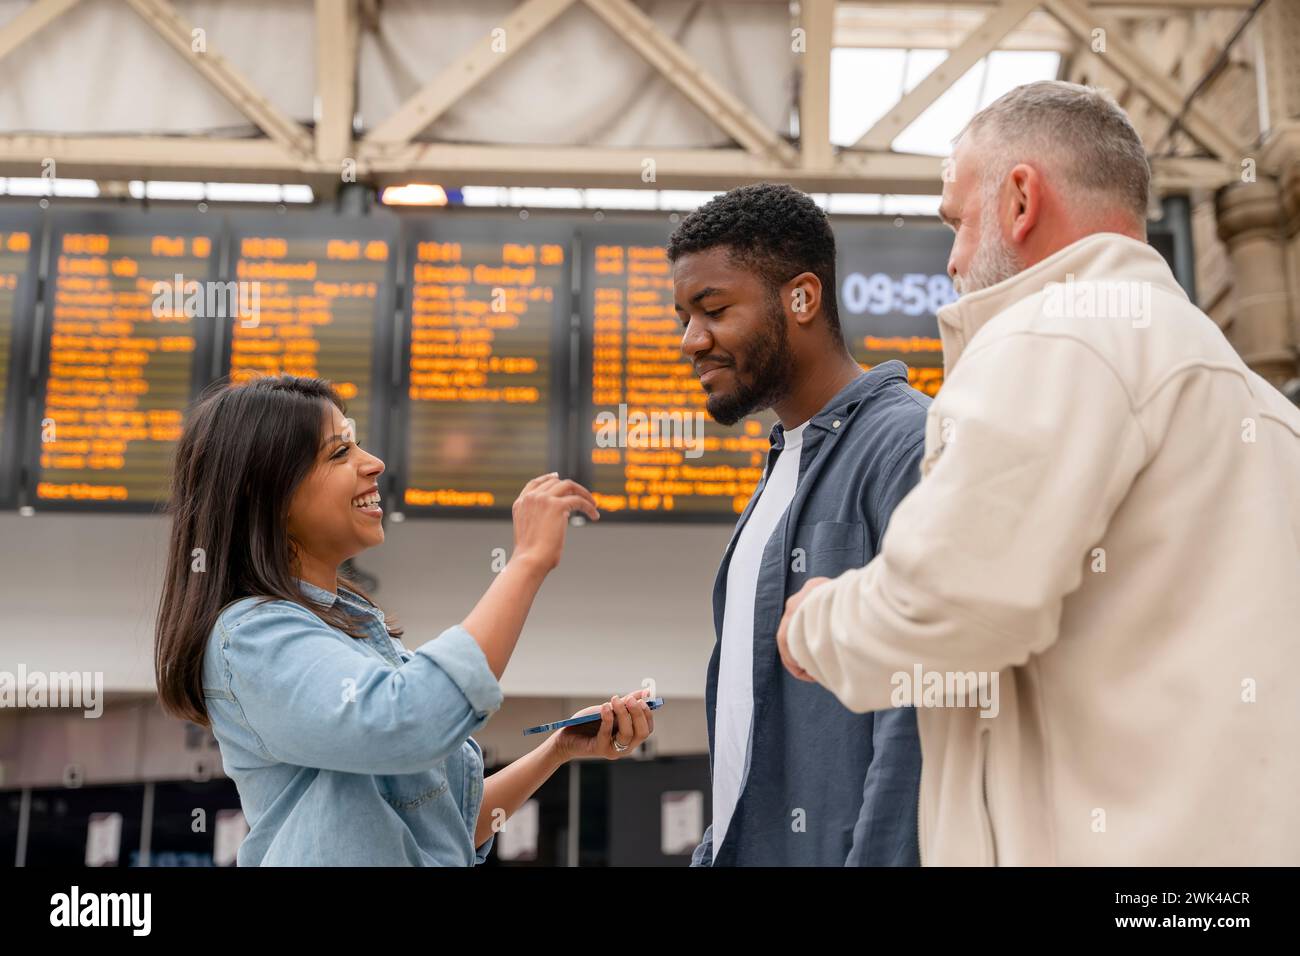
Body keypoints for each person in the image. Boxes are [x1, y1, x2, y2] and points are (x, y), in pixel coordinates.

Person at [777, 80, 1300, 865]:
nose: (951, 262)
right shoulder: (1261, 406)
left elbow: (948, 607)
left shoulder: (1054, 335)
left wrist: (814, 622)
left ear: (1020, 200)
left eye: (956, 222)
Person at [154, 374, 655, 866]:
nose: (374, 464)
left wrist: (557, 750)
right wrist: (527, 562)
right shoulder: (251, 639)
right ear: (264, 495)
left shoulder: (348, 635)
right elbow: (410, 721)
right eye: (339, 453)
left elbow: (448, 831)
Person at [671, 183, 929, 865]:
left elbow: (919, 711)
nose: (691, 341)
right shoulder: (783, 466)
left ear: (803, 299)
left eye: (713, 310)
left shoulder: (906, 444)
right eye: (683, 317)